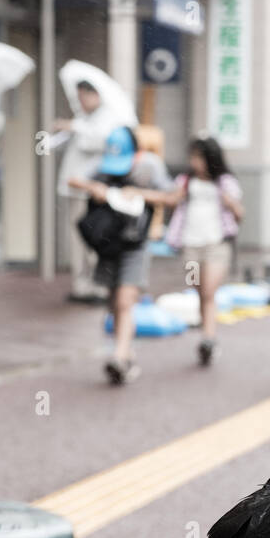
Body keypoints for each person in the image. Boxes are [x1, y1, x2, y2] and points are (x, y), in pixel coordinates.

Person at [68, 125, 172, 385]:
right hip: (107, 244)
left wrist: (140, 193)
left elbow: (173, 196)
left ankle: (119, 356)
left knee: (126, 299)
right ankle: (126, 353)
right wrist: (96, 189)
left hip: (136, 243)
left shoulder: (150, 165)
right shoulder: (101, 164)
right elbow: (72, 179)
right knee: (114, 301)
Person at [152, 136, 244, 366]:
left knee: (209, 291)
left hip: (216, 244)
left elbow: (240, 213)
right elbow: (170, 202)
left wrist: (229, 202)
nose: (194, 162)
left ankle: (208, 338)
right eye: (192, 157)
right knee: (196, 287)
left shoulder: (224, 182)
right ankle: (207, 332)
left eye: (199, 157)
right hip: (190, 244)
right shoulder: (185, 181)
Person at [56, 80, 117, 302]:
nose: (81, 101)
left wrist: (74, 127)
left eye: (84, 96)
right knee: (78, 239)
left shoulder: (107, 118)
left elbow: (100, 141)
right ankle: (81, 286)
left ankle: (97, 286)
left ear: (96, 95)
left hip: (91, 190)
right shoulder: (84, 118)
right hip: (75, 188)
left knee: (94, 237)